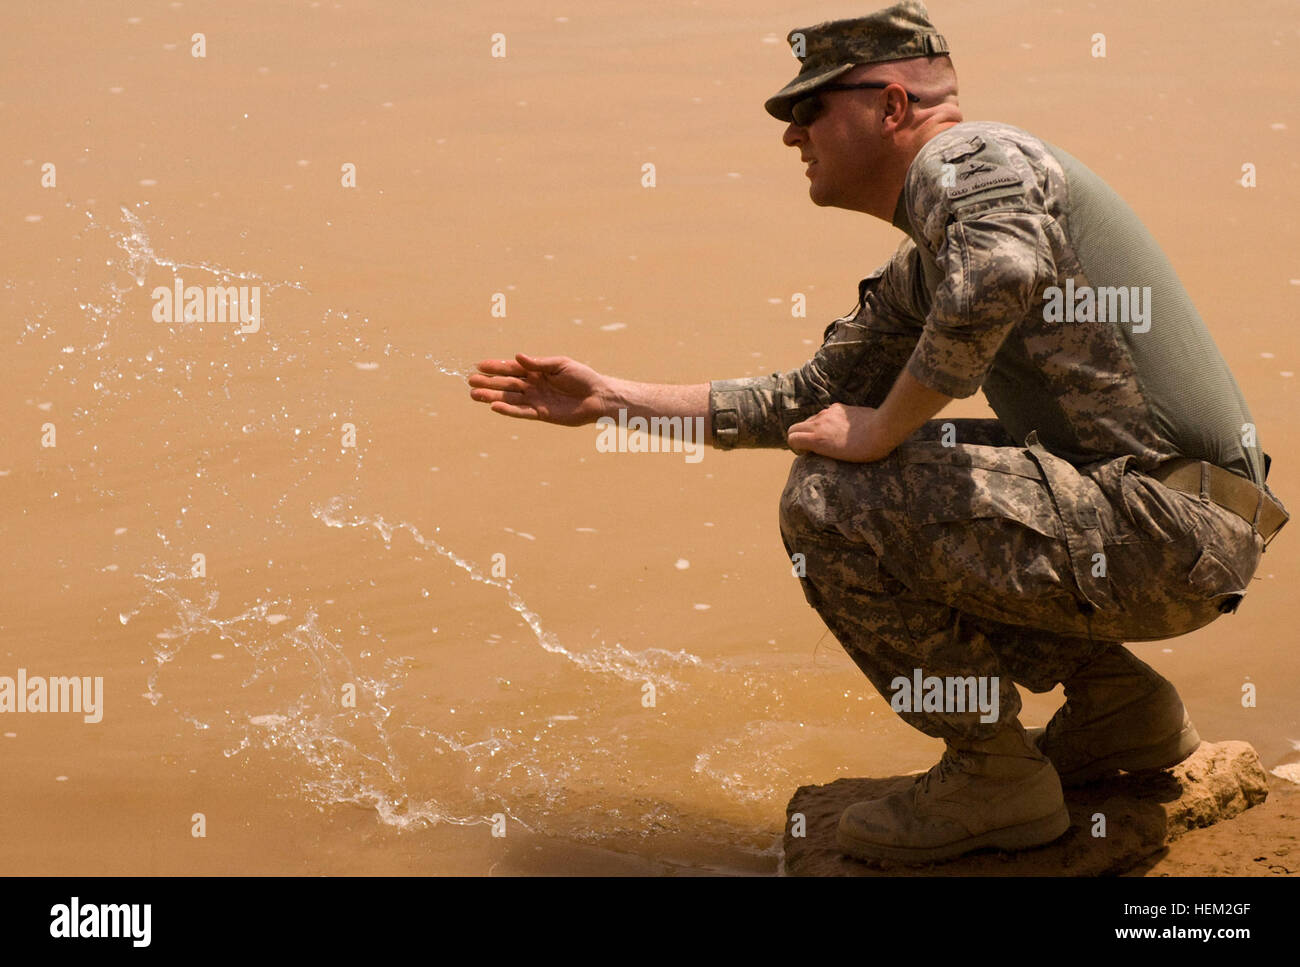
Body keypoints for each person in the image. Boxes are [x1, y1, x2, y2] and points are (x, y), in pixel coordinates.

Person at [467, 0, 1288, 865]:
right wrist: (612, 400)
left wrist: (884, 427)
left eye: (809, 107)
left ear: (893, 106)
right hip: (1166, 529)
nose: (791, 133)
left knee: (832, 496)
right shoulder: (933, 256)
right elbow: (808, 399)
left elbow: (1000, 275)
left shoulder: (969, 158)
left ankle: (992, 774)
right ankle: (1118, 705)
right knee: (873, 460)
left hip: (1171, 531)